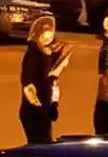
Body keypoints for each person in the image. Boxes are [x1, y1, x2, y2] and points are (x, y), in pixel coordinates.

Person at [19, 15, 72, 143]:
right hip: (31, 111)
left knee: (45, 142)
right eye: (43, 34)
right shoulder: (33, 54)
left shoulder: (52, 54)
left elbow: (53, 81)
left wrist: (54, 103)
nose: (46, 38)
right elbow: (27, 84)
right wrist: (37, 107)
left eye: (49, 33)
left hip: (44, 110)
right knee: (37, 144)